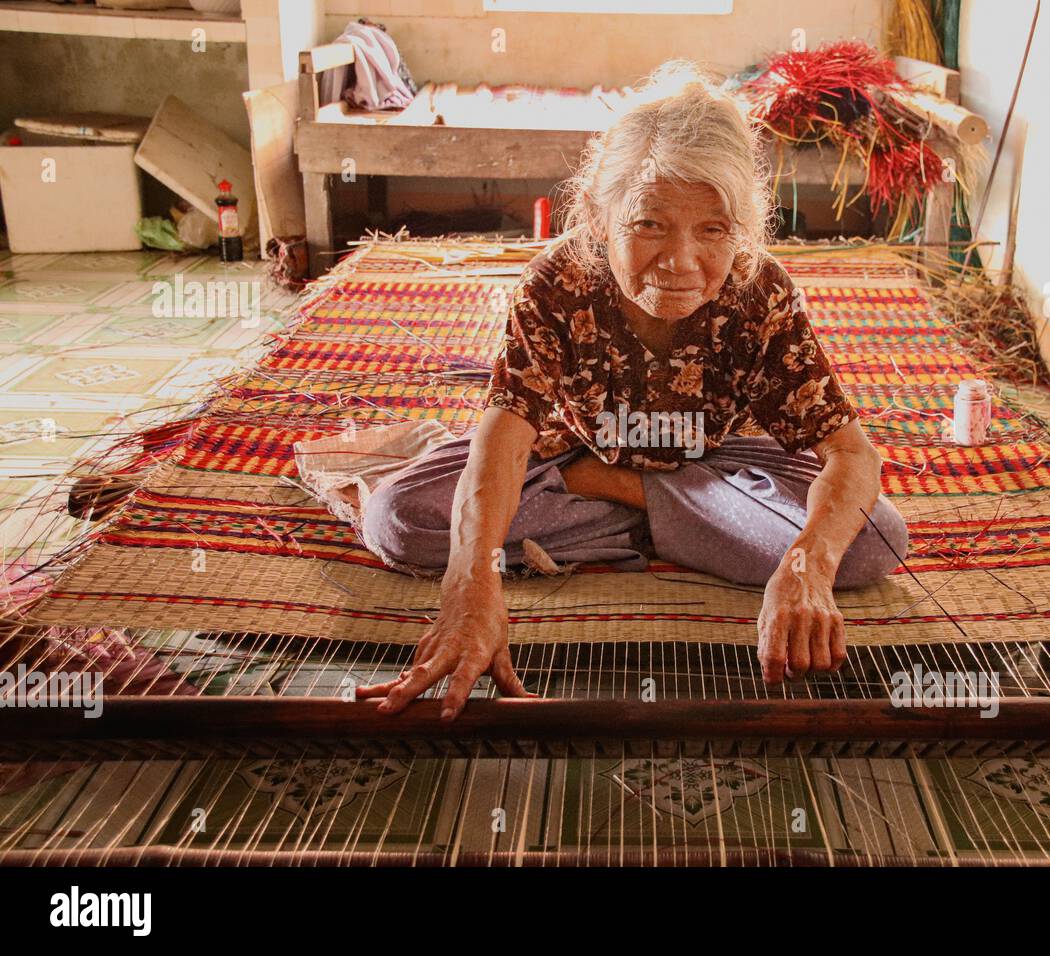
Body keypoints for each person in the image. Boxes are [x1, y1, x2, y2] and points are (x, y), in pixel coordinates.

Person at [358, 62, 909, 718]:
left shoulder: (760, 291)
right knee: (399, 519)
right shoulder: (554, 284)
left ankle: (621, 498)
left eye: (713, 230)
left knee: (872, 537)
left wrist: (805, 569)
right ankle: (680, 528)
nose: (681, 261)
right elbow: (506, 433)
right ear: (598, 214)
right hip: (566, 455)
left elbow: (853, 456)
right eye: (649, 225)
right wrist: (470, 583)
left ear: (744, 229)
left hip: (714, 463)